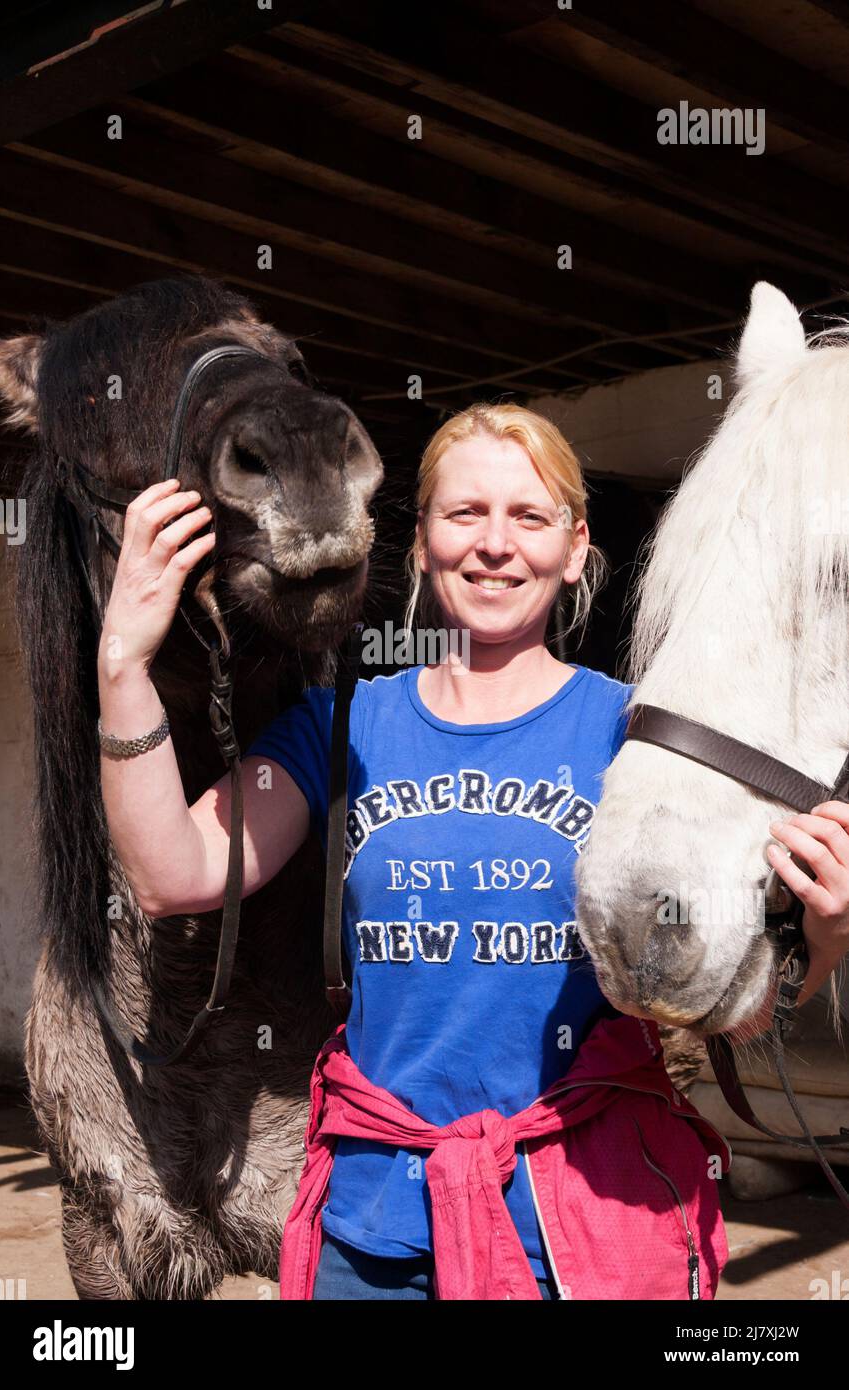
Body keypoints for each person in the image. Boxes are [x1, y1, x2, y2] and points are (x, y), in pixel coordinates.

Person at [98, 403, 734, 1301]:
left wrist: (819, 928)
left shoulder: (638, 736)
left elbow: (725, 986)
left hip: (580, 1222)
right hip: (378, 1225)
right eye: (465, 513)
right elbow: (174, 873)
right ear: (424, 541)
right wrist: (123, 664)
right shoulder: (345, 727)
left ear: (576, 542)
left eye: (529, 516)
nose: (495, 545)